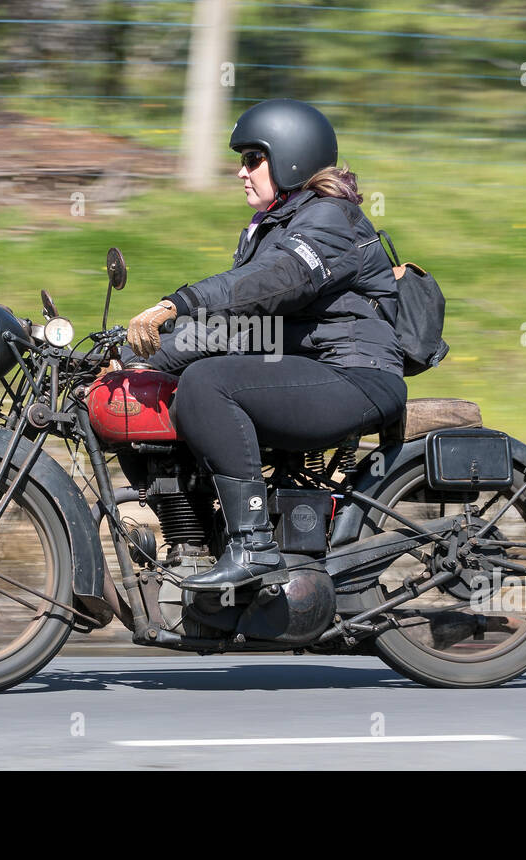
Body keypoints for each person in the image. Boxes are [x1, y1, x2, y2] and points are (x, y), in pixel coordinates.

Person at [122, 98, 407, 590]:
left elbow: (271, 283)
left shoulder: (330, 220)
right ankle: (198, 541)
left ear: (291, 157)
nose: (241, 172)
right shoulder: (274, 225)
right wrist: (133, 358)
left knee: (209, 384)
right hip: (307, 368)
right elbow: (235, 329)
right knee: (160, 387)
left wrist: (176, 303)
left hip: (355, 374)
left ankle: (253, 546)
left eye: (253, 159)